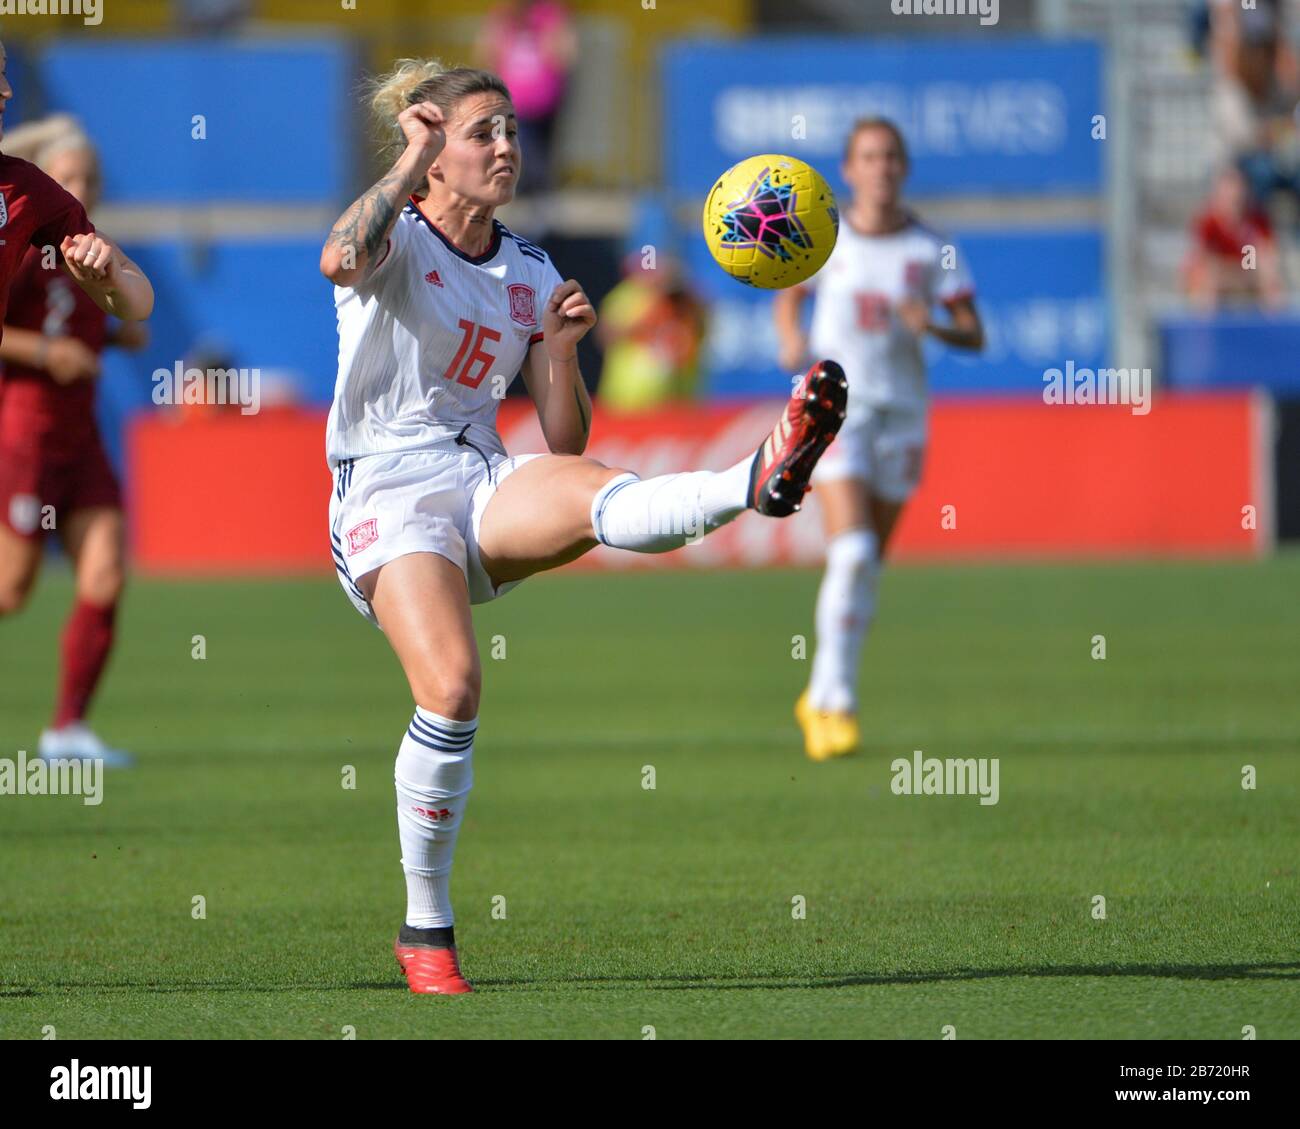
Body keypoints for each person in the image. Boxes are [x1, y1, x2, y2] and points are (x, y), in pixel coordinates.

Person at [319, 59, 847, 995]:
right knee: (452, 688)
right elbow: (338, 259)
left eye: (512, 131)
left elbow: (561, 435)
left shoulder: (529, 270)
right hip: (384, 492)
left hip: (479, 474)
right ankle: (426, 927)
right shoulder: (393, 232)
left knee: (598, 491)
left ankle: (752, 480)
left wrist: (560, 352)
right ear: (434, 147)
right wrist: (410, 152)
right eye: (483, 133)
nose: (507, 147)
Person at [774, 118, 984, 763]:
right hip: (841, 410)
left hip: (904, 414)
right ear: (849, 168)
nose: (882, 167)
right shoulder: (829, 240)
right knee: (854, 552)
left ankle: (829, 693)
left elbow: (975, 333)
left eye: (891, 156)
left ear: (905, 166)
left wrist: (935, 328)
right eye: (869, 156)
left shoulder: (931, 249)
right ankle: (831, 701)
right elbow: (791, 294)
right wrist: (791, 337)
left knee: (868, 566)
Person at [0, 48, 155, 765]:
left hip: (79, 431)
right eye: (72, 175)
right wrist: (44, 354)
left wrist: (121, 314)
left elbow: (130, 305)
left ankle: (66, 727)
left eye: (89, 177)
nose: (82, 187)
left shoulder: (59, 226)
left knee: (106, 571)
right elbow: (41, 337)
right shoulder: (25, 248)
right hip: (26, 424)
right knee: (11, 589)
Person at [476, 0, 576, 196]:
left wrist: (550, 37)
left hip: (544, 99)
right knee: (512, 149)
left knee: (539, 156)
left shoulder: (550, 14)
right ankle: (522, 193)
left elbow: (564, 54)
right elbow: (487, 52)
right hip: (511, 101)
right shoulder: (503, 16)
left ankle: (538, 201)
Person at [596, 254, 707, 413]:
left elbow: (698, 336)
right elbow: (606, 334)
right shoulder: (630, 295)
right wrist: (646, 323)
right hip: (626, 402)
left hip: (678, 403)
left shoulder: (688, 304)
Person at [1185, 165, 1285, 308]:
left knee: (1267, 271)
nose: (1233, 194)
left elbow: (1266, 252)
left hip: (1247, 273)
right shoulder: (1208, 222)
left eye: (1237, 188)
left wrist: (1252, 267)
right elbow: (1200, 259)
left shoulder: (1256, 220)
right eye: (1228, 188)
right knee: (1208, 278)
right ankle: (1205, 327)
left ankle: (1273, 324)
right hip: (1220, 275)